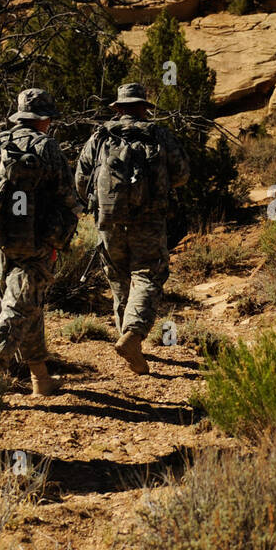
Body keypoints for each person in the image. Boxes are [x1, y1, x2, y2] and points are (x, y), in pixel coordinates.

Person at [0, 88, 80, 395]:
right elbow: (68, 197)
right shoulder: (47, 147)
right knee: (19, 308)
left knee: (28, 304)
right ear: (43, 119)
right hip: (36, 241)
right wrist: (59, 239)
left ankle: (40, 377)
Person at [75, 82, 189, 375]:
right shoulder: (159, 135)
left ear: (118, 108)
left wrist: (102, 200)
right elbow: (182, 175)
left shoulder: (100, 136)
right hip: (149, 220)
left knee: (118, 277)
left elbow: (80, 178)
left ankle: (126, 337)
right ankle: (133, 336)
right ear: (143, 107)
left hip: (108, 219)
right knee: (148, 275)